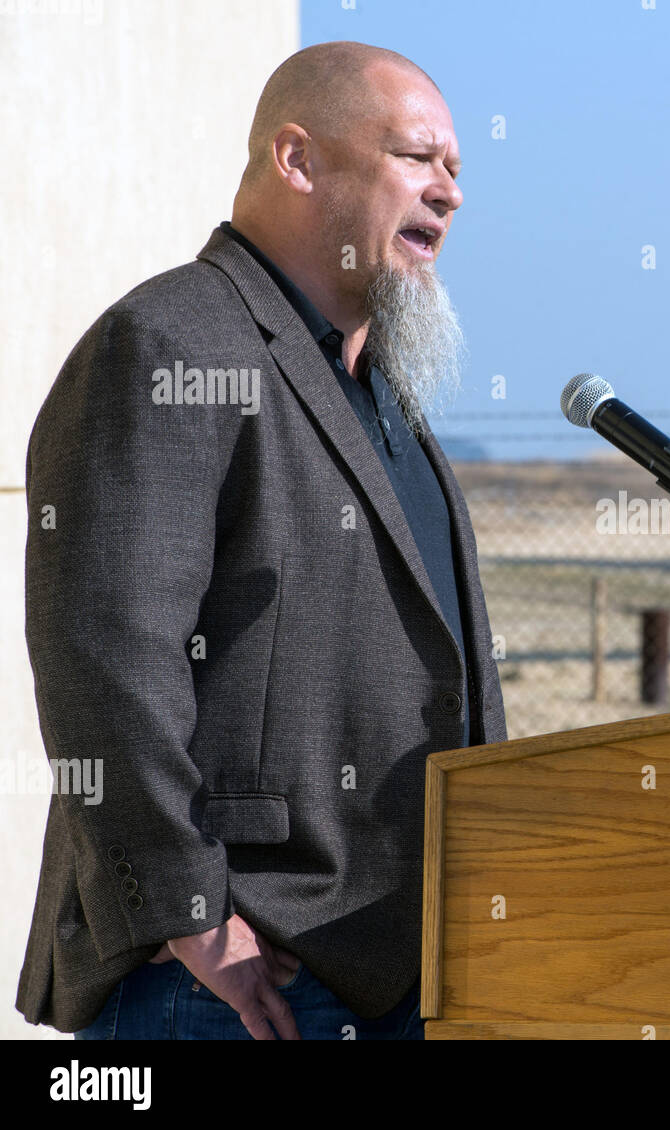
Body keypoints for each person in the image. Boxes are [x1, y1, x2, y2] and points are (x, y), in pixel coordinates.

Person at [16, 40, 506, 1040]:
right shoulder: (171, 343)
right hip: (237, 982)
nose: (448, 193)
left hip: (408, 973)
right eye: (418, 158)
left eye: (457, 170)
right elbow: (105, 651)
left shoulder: (386, 393)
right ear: (298, 158)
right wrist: (187, 910)